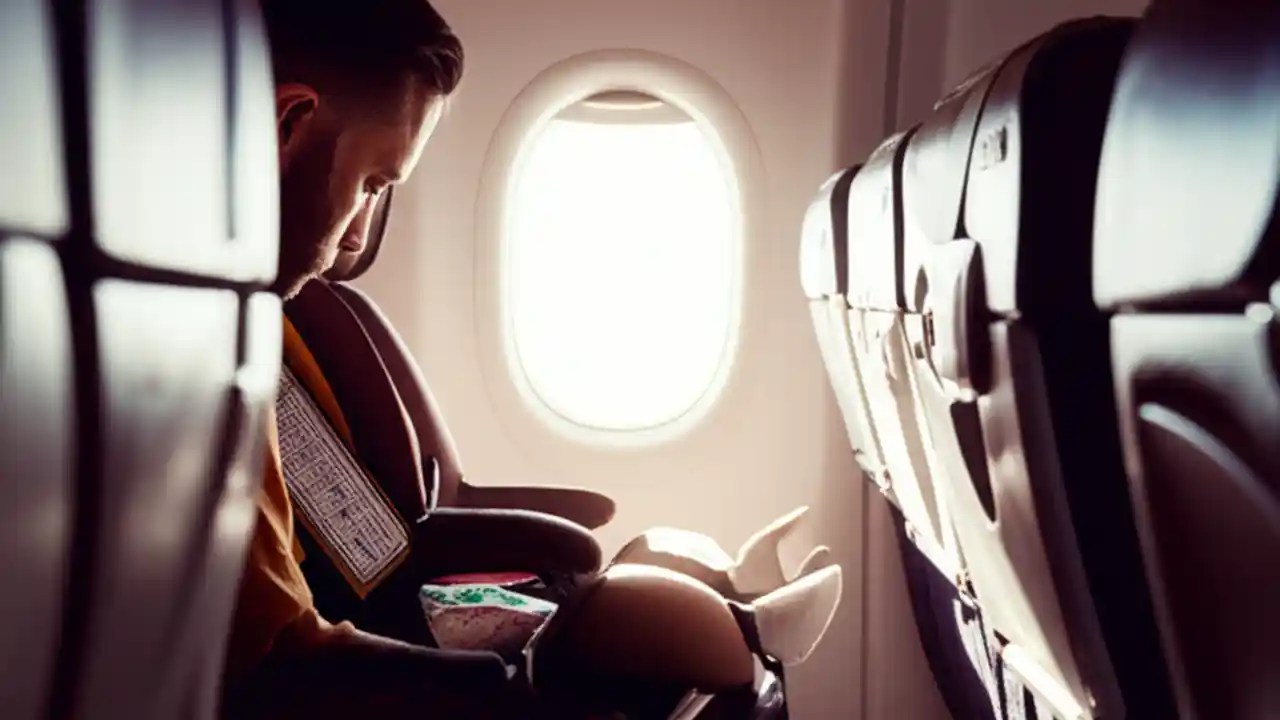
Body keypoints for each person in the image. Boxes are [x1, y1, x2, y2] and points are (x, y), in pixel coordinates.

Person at [222, 2, 539, 717]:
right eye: (372, 183)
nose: (356, 239)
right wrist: (522, 688)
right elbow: (282, 667)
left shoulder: (242, 320)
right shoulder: (219, 351)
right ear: (287, 125)